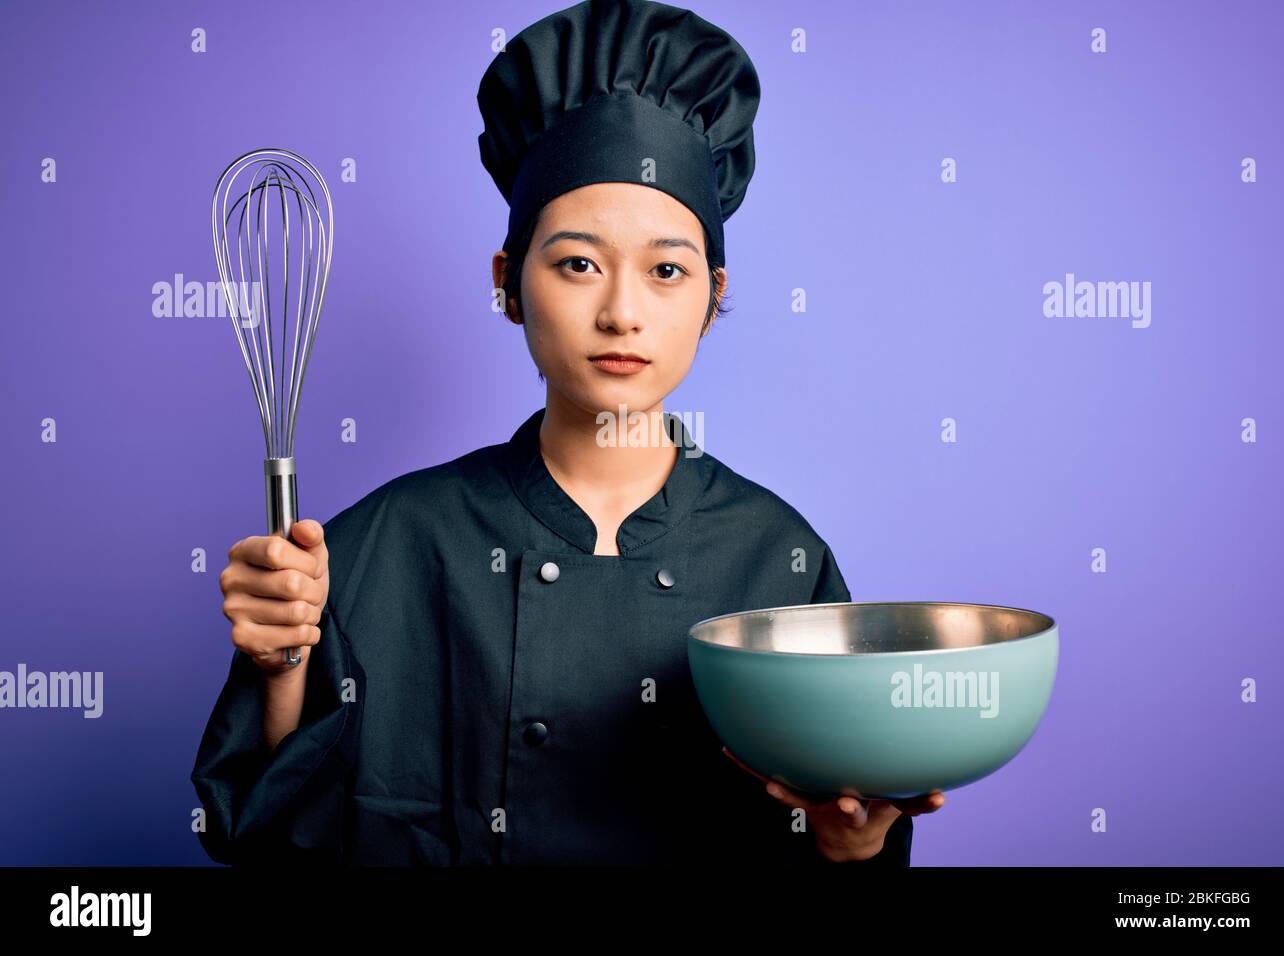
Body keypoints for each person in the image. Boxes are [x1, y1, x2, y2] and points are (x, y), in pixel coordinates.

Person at [191, 0, 943, 867]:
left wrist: (850, 845)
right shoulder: (388, 544)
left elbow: (842, 829)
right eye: (578, 263)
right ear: (509, 283)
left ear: (712, 296)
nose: (623, 312)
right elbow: (270, 842)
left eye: (667, 270)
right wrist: (283, 664)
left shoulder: (780, 562)